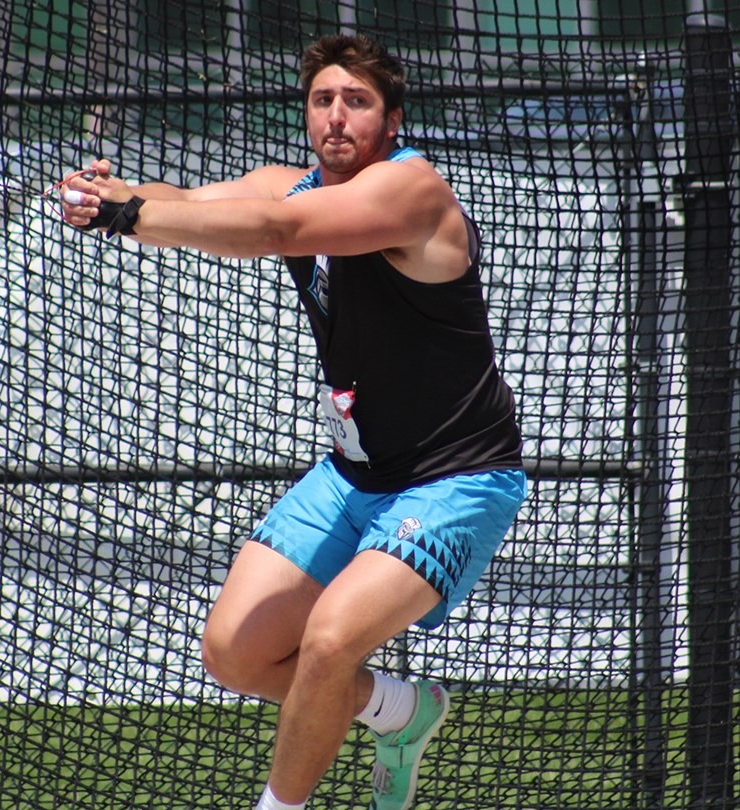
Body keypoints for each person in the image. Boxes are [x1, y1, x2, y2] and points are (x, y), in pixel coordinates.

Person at [57, 34, 527, 810]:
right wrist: (103, 192)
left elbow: (279, 232)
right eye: (322, 100)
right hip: (354, 476)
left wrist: (126, 216)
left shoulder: (412, 194)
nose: (337, 117)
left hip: (456, 480)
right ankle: (400, 712)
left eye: (358, 101)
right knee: (235, 654)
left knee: (332, 639)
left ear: (393, 120)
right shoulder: (293, 184)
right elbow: (200, 202)